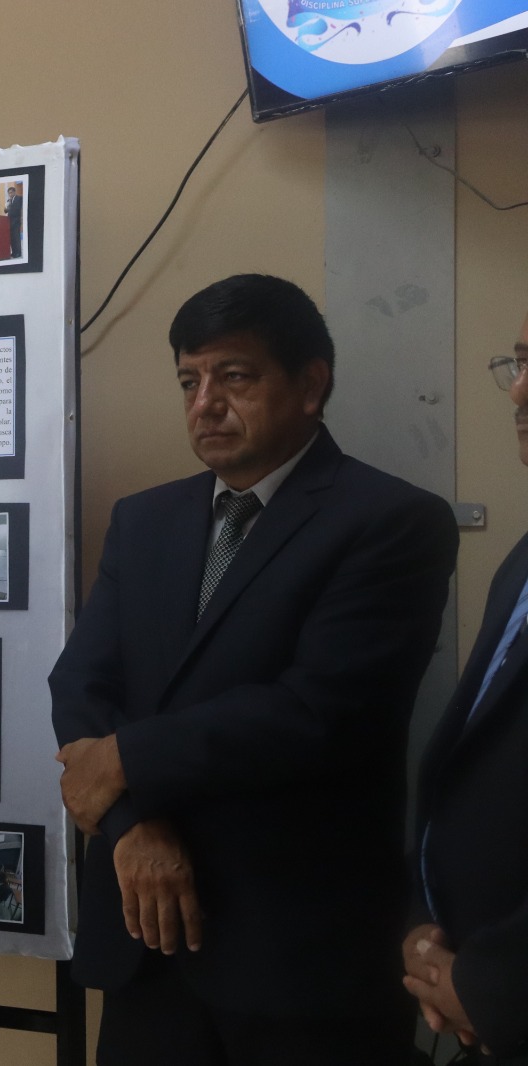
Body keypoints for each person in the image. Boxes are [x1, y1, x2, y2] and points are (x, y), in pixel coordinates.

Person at [49, 274, 458, 1065]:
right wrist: (134, 826)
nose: (204, 404)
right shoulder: (146, 519)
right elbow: (82, 686)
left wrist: (128, 760)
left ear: (311, 384)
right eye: (187, 381)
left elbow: (322, 710)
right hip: (146, 940)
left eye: (234, 376)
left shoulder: (390, 522)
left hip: (299, 957)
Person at [403, 309, 528, 1062]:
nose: (519, 392)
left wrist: (499, 984)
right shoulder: (520, 560)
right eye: (516, 361)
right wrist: (423, 922)